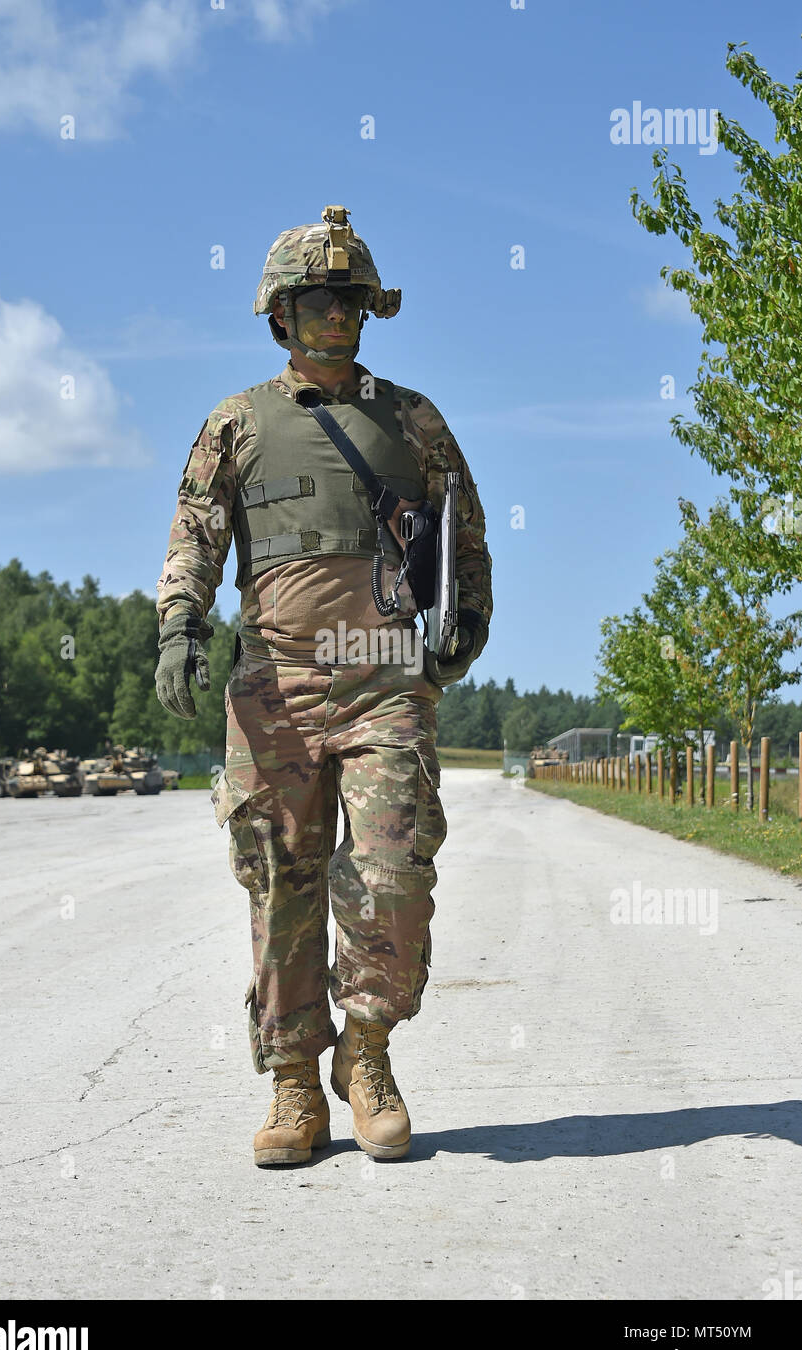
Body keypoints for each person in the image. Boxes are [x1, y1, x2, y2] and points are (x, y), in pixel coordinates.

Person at [155, 205, 492, 1166]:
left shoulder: (411, 419)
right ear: (280, 314)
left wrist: (466, 616)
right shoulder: (238, 422)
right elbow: (194, 532)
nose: (335, 316)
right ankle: (295, 1082)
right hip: (276, 685)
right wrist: (179, 624)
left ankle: (369, 1055)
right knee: (280, 882)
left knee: (390, 872)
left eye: (348, 299)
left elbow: (462, 533)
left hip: (386, 681)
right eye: (316, 300)